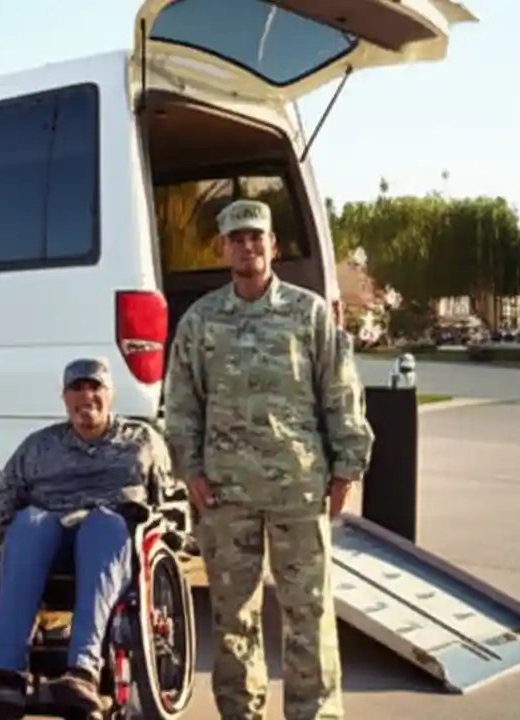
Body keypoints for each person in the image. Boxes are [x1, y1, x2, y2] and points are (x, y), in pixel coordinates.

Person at [163, 199, 374, 720]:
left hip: (298, 489)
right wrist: (189, 467)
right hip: (226, 493)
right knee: (234, 618)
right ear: (223, 248)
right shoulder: (202, 321)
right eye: (237, 238)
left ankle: (315, 713)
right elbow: (183, 401)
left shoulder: (307, 313)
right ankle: (241, 713)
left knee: (310, 613)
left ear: (273, 246)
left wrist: (347, 464)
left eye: (256, 237)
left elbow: (340, 390)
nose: (247, 246)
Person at [0, 358, 178, 720]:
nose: (87, 396)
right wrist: (7, 541)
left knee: (104, 523)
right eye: (77, 388)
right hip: (48, 537)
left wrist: (170, 537)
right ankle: (4, 674)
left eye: (95, 387)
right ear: (64, 398)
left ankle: (82, 671)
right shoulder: (40, 446)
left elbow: (170, 500)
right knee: (30, 522)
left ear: (111, 394)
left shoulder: (141, 441)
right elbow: (3, 494)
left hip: (109, 539)